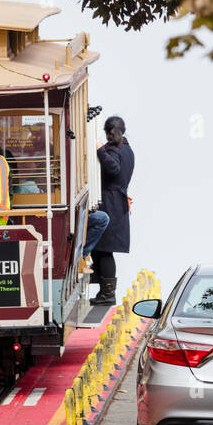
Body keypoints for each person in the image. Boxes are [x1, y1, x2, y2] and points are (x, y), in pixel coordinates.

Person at [90, 115, 134, 305]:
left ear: (109, 132)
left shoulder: (113, 150)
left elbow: (113, 169)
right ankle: (103, 287)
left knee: (104, 249)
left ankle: (108, 294)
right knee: (101, 249)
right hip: (118, 203)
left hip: (111, 204)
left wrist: (99, 150)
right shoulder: (128, 149)